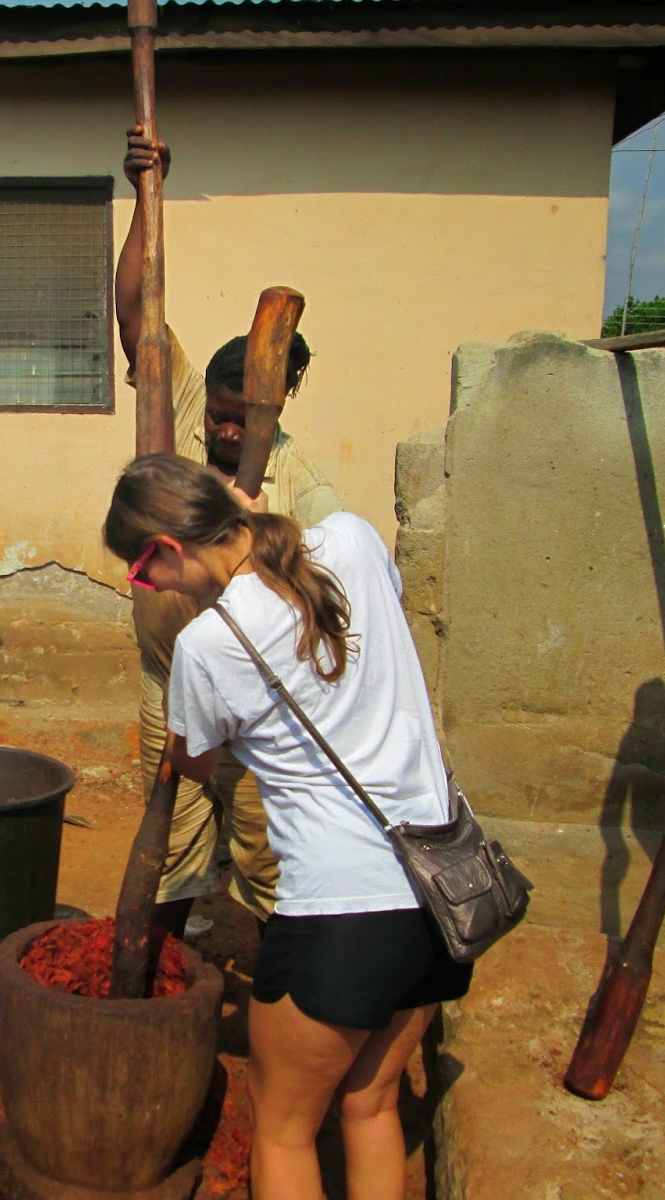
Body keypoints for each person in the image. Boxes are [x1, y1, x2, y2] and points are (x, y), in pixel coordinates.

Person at [103, 454, 471, 1200]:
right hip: (443, 892)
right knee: (372, 1103)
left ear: (169, 548)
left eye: (143, 572)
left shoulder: (210, 643)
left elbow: (195, 762)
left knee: (282, 1128)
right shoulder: (354, 538)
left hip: (342, 912)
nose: (149, 588)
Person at [117, 126, 341, 938]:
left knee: (264, 853)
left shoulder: (303, 483)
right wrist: (148, 196)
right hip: (167, 677)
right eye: (215, 414)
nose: (220, 429)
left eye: (237, 419)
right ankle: (163, 964)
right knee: (171, 837)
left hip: (255, 703)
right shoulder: (180, 409)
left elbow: (323, 602)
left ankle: (281, 971)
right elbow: (137, 312)